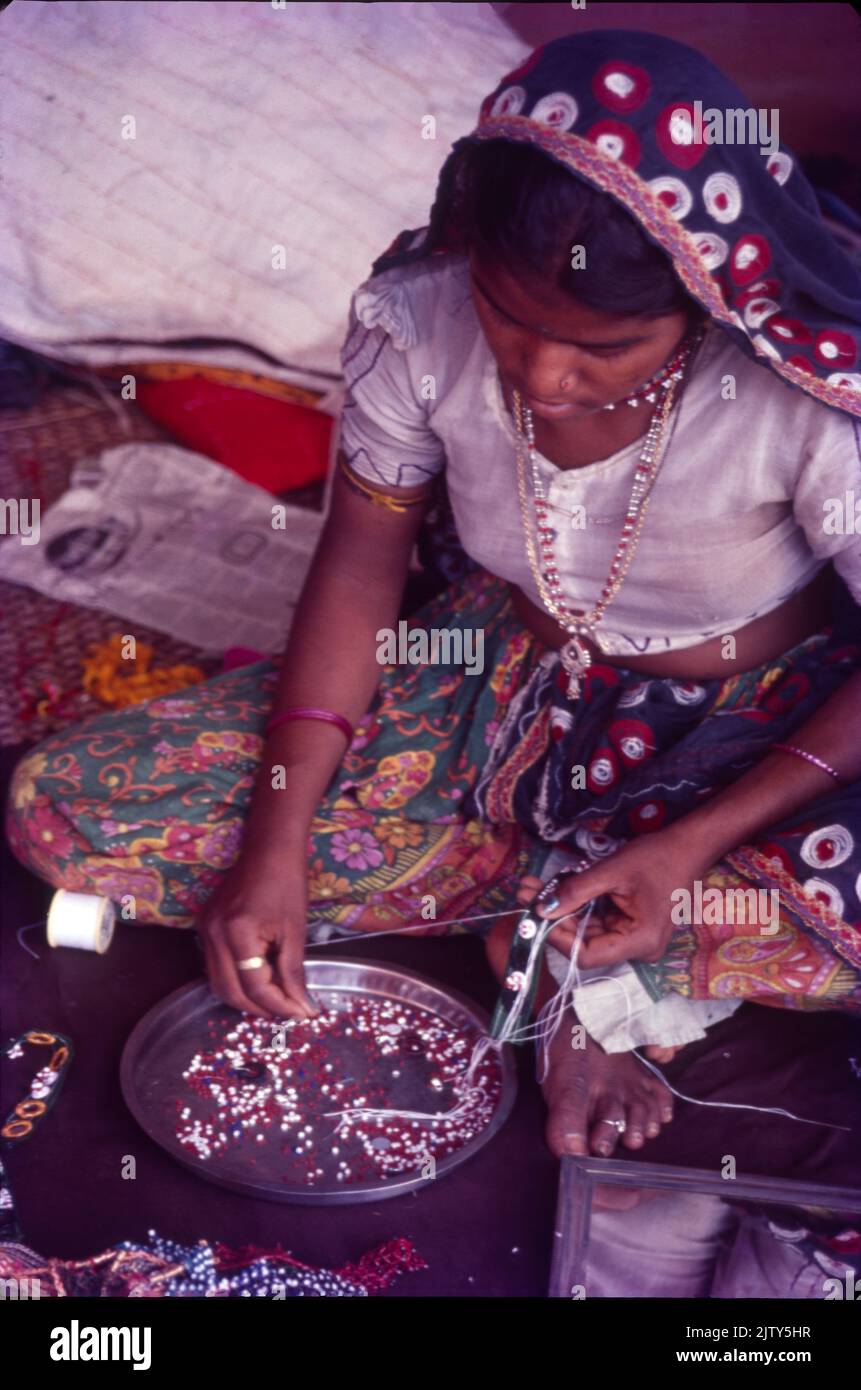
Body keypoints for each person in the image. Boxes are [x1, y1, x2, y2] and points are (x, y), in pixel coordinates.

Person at [6, 30, 861, 1291]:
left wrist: (689, 846)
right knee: (63, 808)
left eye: (603, 351)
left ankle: (597, 973)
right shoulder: (414, 318)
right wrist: (276, 849)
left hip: (759, 747)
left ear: (705, 306)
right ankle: (556, 932)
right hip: (500, 698)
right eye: (511, 320)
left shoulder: (798, 396)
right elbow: (359, 567)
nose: (543, 376)